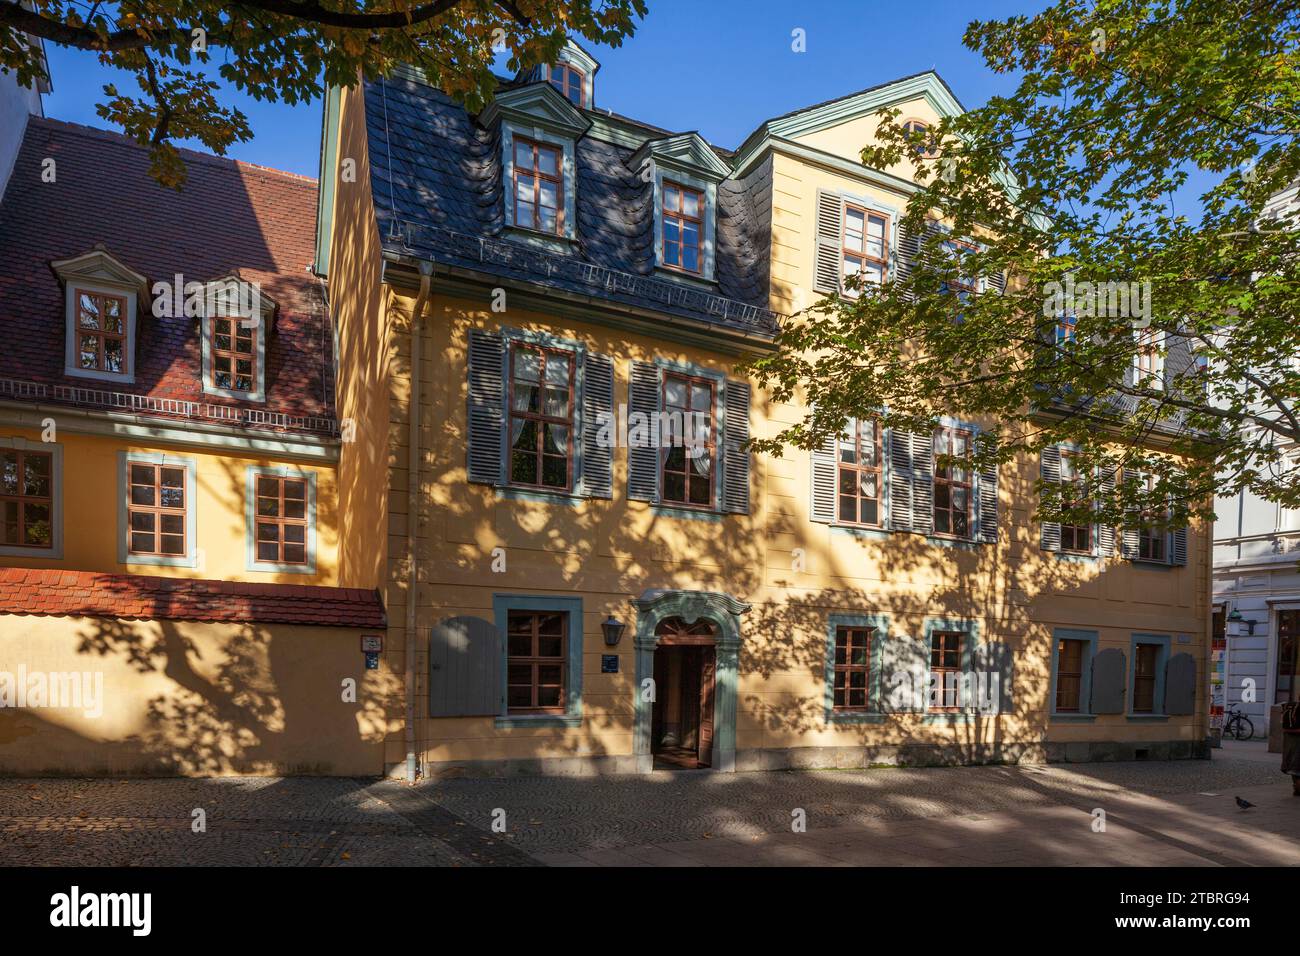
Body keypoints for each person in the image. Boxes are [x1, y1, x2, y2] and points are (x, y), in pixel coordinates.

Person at [1282, 701, 1300, 796]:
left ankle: (1296, 787)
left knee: (1294, 764)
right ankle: (1298, 788)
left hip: (1290, 740)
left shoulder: (1291, 707)